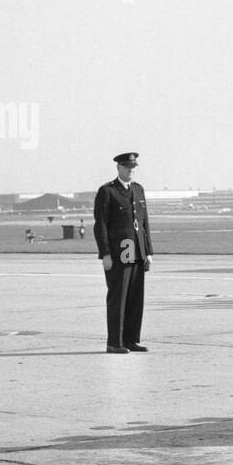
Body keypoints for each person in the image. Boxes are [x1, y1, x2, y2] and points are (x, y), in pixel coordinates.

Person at [93, 151, 153, 354]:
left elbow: (144, 223)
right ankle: (115, 342)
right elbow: (100, 225)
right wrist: (105, 254)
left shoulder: (138, 189)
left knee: (136, 298)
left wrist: (149, 252)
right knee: (118, 298)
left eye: (133, 167)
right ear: (118, 168)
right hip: (119, 253)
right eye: (127, 167)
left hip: (137, 251)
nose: (131, 170)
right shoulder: (108, 191)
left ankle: (130, 340)